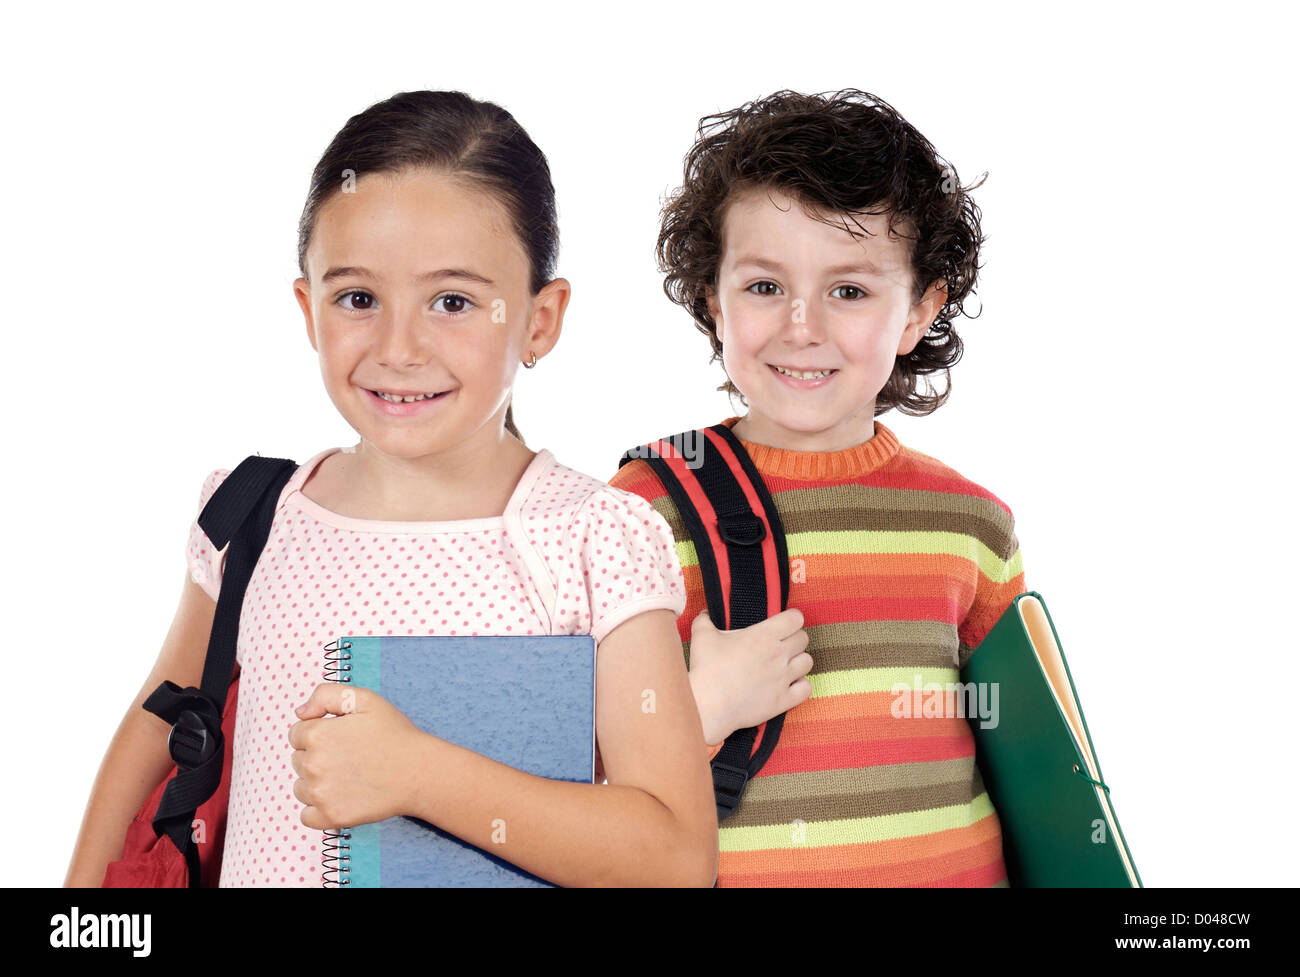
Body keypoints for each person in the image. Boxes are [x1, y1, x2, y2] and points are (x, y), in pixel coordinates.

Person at [65, 90, 717, 888]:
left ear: (541, 320)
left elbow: (674, 855)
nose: (399, 347)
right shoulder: (251, 517)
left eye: (452, 301)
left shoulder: (594, 536)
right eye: (358, 298)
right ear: (308, 308)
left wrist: (417, 776)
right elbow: (156, 732)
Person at [609, 89, 1026, 886]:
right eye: (764, 286)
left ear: (919, 311)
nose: (802, 327)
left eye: (850, 290)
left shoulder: (975, 524)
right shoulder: (642, 508)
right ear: (711, 297)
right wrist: (700, 710)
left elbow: (1020, 748)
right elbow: (570, 768)